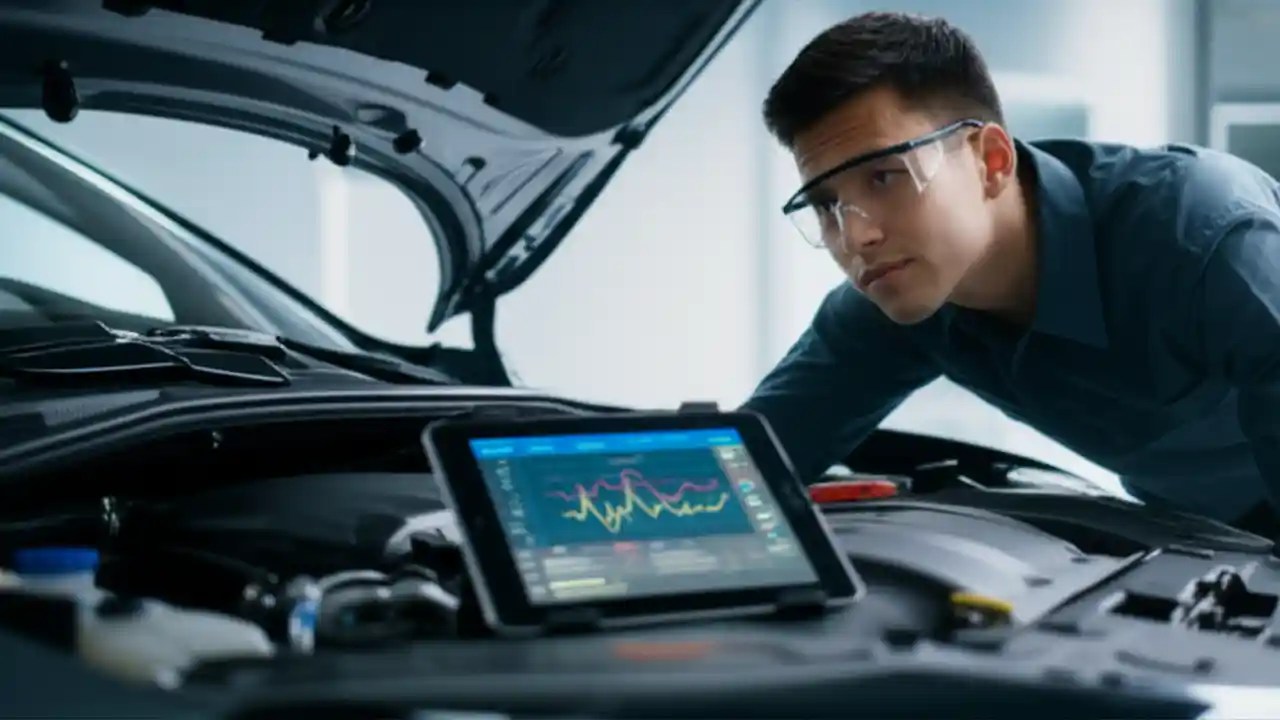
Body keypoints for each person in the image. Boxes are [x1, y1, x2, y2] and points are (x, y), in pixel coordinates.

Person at [741, 11, 1280, 534]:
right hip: (1203, 539)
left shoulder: (1205, 238)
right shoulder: (895, 298)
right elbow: (743, 470)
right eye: (825, 206)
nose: (855, 237)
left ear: (991, 162)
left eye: (885, 177)